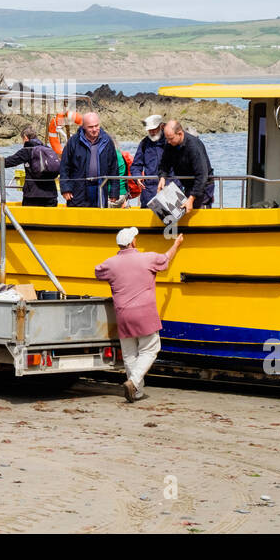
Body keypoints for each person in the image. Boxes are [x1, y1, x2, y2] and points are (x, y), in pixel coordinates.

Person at [94, 226, 184, 402]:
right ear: (132, 242)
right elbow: (166, 259)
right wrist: (177, 244)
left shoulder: (111, 264)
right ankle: (134, 382)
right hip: (145, 314)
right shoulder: (147, 258)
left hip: (123, 315)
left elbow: (98, 271)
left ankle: (137, 391)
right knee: (151, 348)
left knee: (129, 354)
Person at [59, 111, 119, 207]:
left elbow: (114, 168)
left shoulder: (107, 141)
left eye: (96, 126)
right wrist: (65, 189)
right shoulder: (73, 141)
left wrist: (114, 192)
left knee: (99, 219)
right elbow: (64, 166)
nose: (94, 129)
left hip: (100, 188)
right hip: (78, 190)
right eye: (90, 127)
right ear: (83, 127)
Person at [157, 119, 215, 211]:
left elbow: (202, 175)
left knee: (193, 209)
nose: (168, 142)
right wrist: (162, 177)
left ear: (180, 134)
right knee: (178, 210)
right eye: (166, 138)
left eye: (170, 138)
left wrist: (191, 198)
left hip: (203, 186)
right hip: (187, 184)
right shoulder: (170, 144)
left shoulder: (193, 146)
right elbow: (164, 163)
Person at [2, 126, 59, 207]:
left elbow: (11, 161)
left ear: (25, 137)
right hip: (51, 194)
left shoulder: (27, 149)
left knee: (29, 219)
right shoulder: (47, 149)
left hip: (33, 195)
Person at [130, 114, 172, 207]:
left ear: (161, 126)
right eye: (149, 130)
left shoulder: (171, 141)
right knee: (146, 221)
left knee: (172, 221)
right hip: (149, 192)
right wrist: (137, 177)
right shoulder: (144, 143)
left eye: (154, 129)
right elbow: (136, 165)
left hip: (170, 189)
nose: (152, 132)